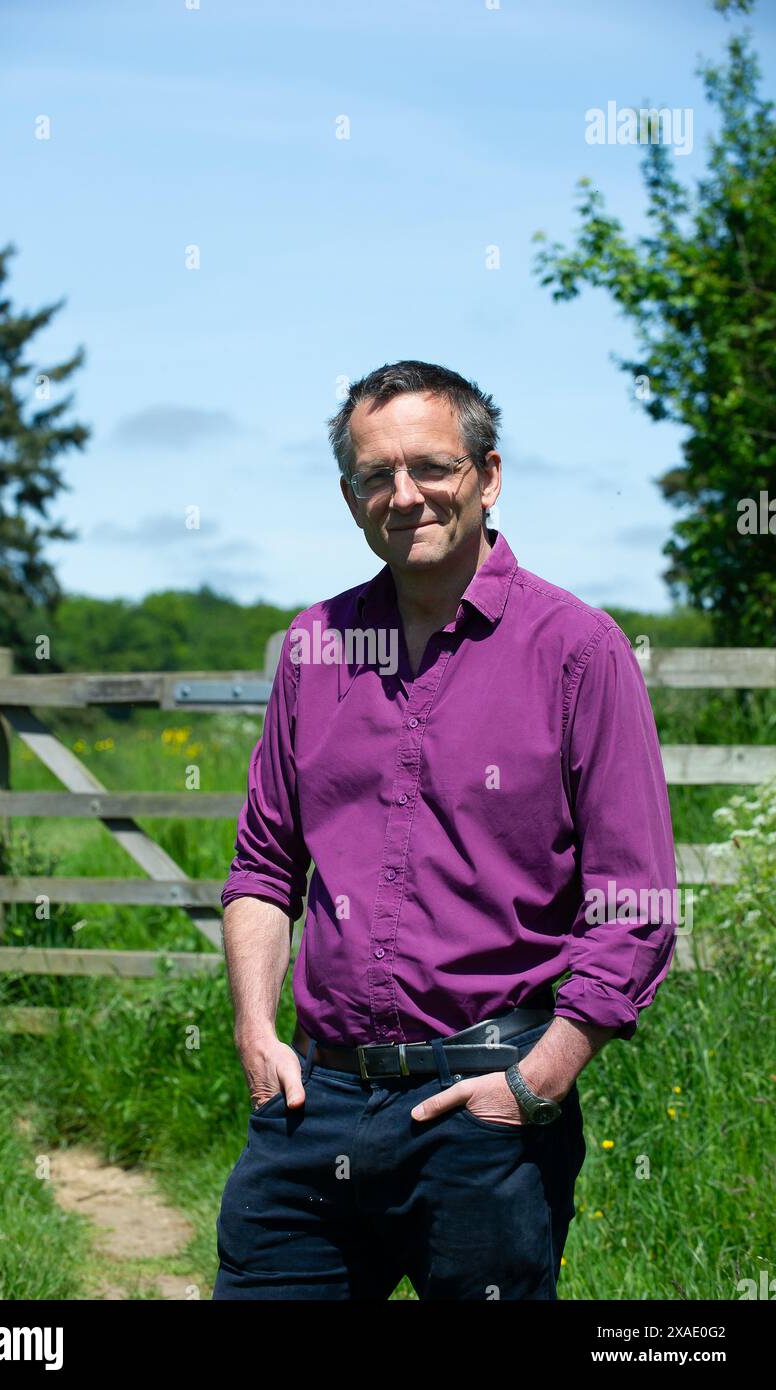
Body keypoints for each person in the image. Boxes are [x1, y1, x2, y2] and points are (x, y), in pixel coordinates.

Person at [212, 360, 677, 1300]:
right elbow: (263, 867)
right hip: (315, 1103)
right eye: (376, 476)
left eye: (432, 467)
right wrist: (256, 1032)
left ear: (487, 477)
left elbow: (634, 903)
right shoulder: (315, 648)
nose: (405, 495)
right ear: (350, 498)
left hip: (486, 1111)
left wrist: (537, 1082)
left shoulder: (579, 651)